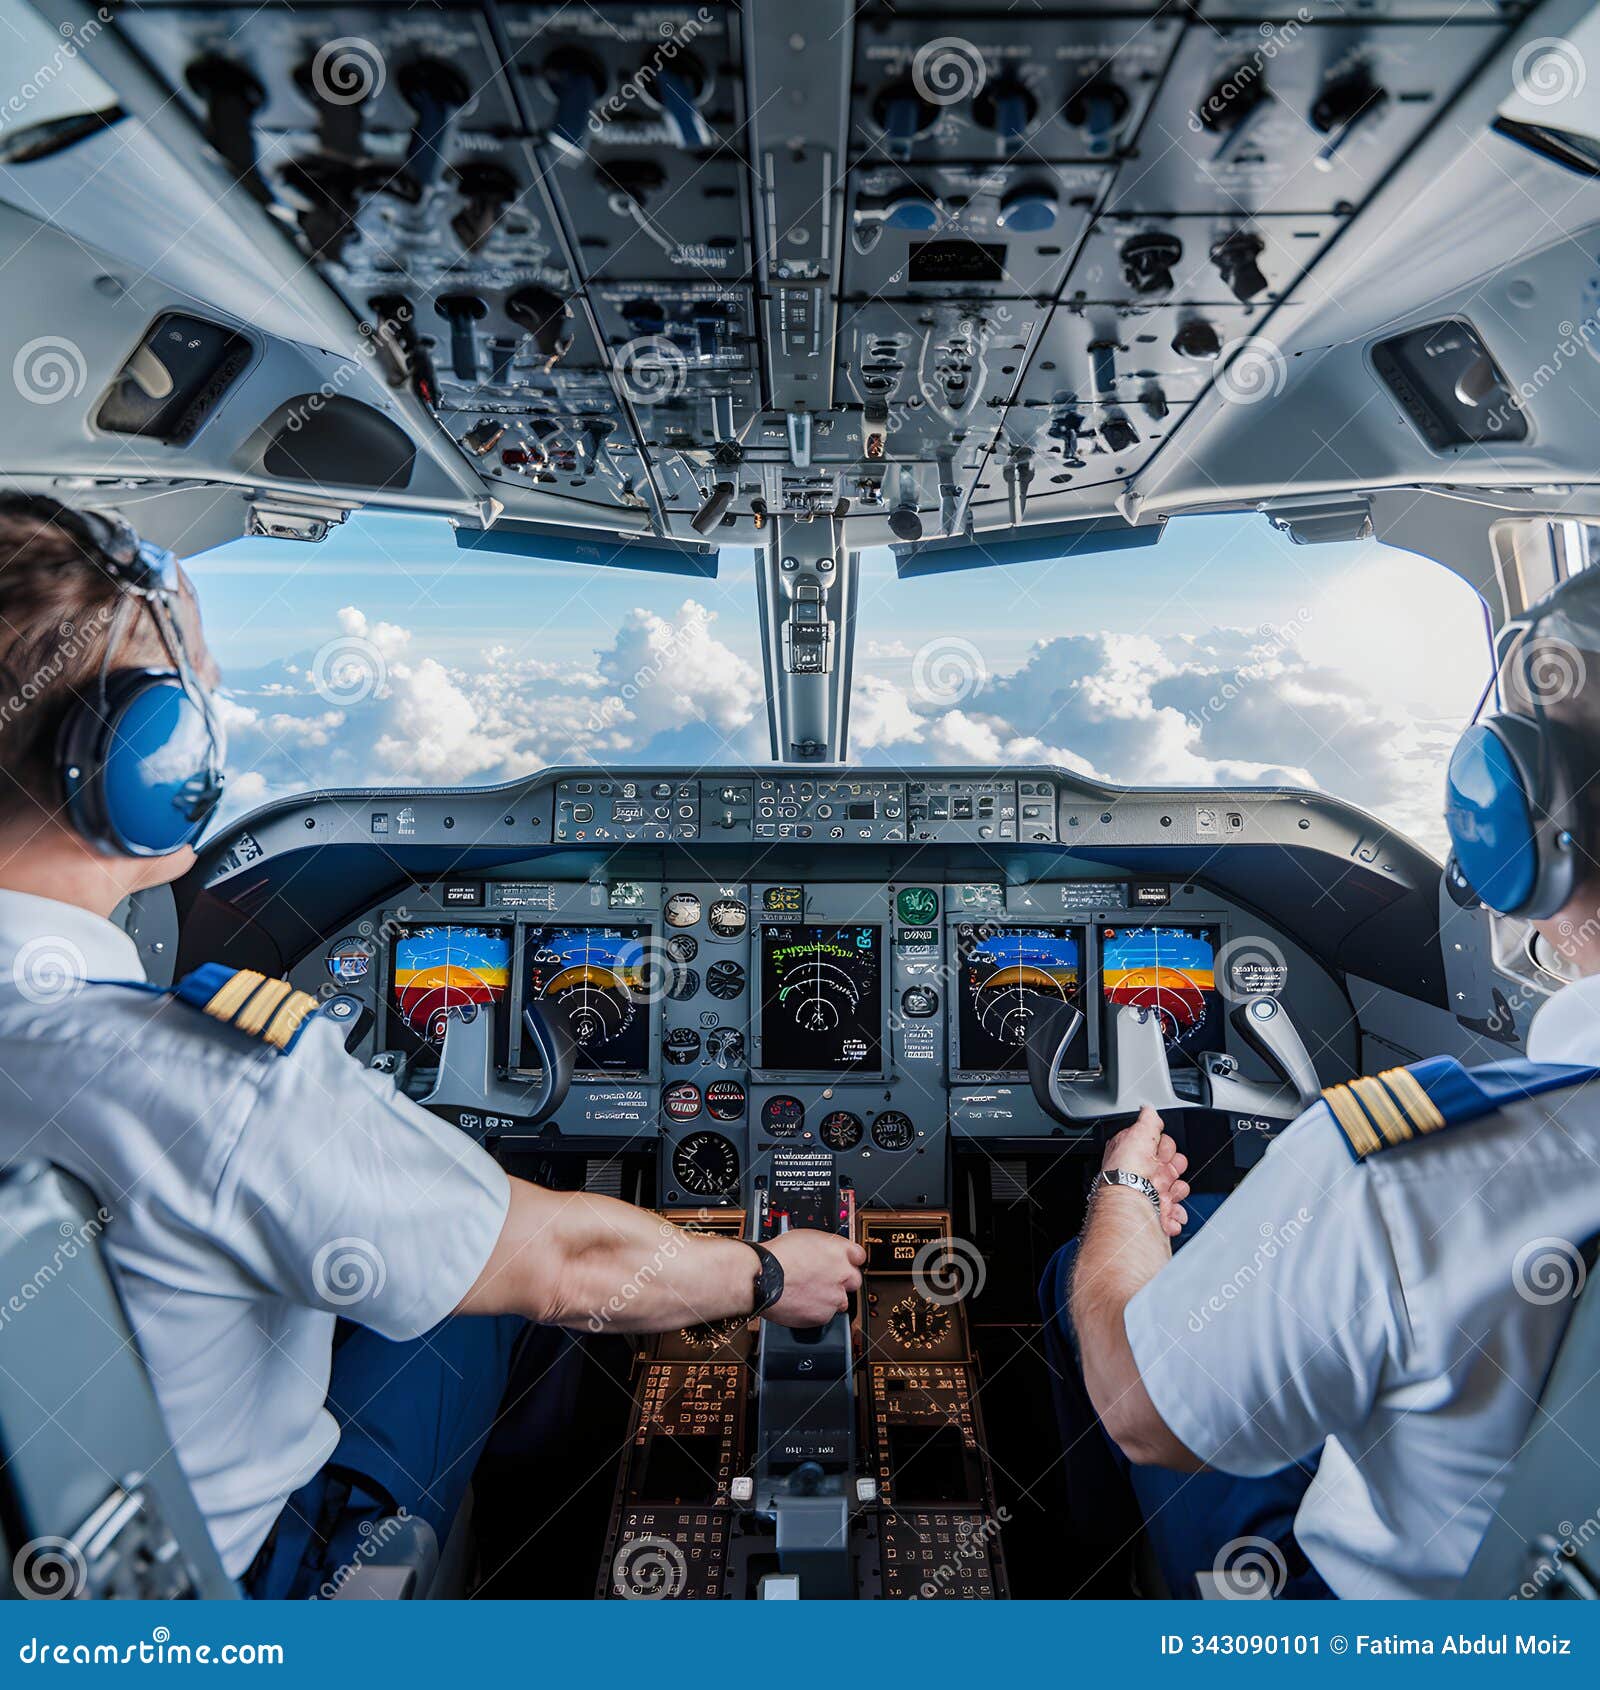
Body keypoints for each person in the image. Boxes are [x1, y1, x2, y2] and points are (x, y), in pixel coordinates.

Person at [0, 494, 864, 1596]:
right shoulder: (214, 1084)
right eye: (196, 700)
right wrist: (771, 1270)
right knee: (480, 1306)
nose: (213, 711)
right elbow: (564, 1265)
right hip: (235, 1583)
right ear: (141, 766)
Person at [1041, 562, 1600, 1600]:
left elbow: (1137, 1407)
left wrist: (1123, 1190)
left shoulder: (1405, 1167)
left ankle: (1082, 1574)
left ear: (1516, 823)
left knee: (1089, 1270)